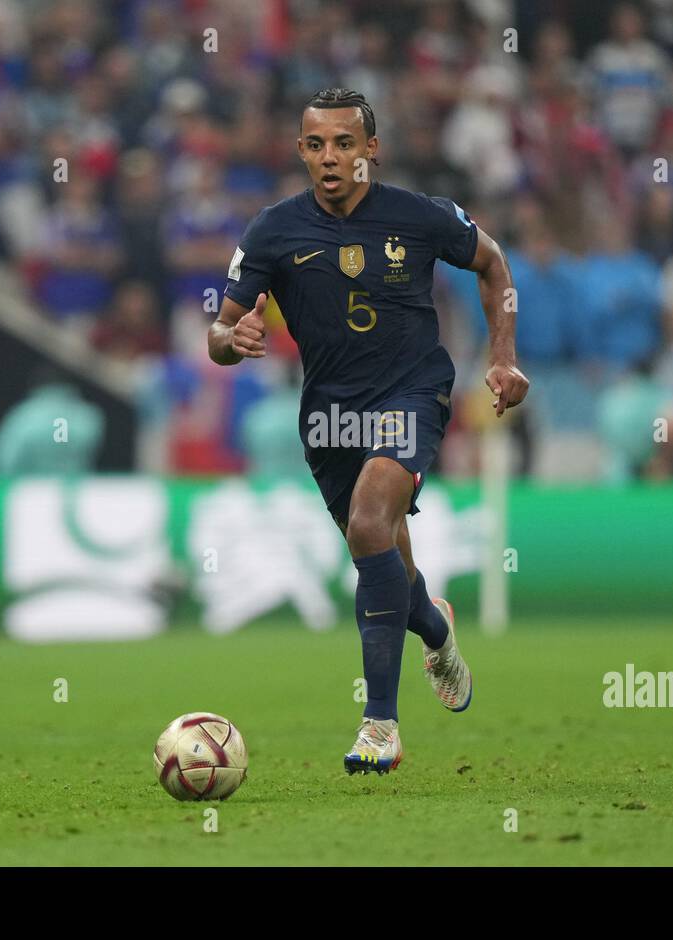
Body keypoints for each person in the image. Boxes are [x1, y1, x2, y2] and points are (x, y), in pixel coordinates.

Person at [207, 89, 528, 775]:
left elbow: (494, 264)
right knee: (381, 551)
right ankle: (435, 630)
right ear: (301, 151)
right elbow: (217, 335)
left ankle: (379, 723)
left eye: (345, 144)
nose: (331, 158)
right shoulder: (272, 231)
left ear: (371, 150)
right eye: (317, 145)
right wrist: (231, 336)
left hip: (413, 390)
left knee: (368, 521)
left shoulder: (420, 216)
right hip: (328, 417)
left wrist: (501, 356)